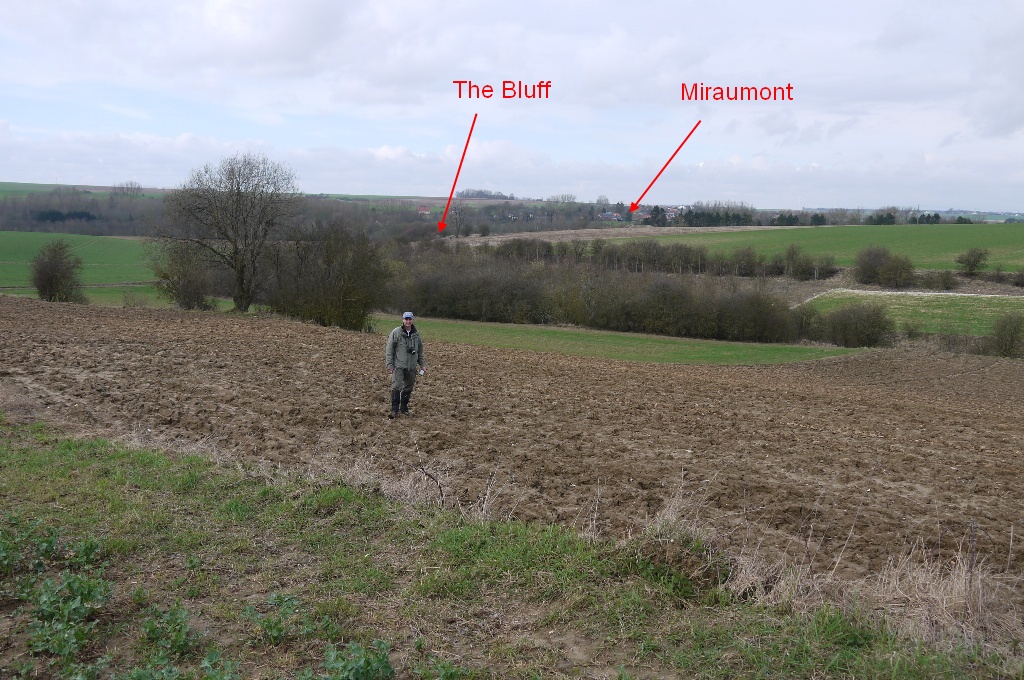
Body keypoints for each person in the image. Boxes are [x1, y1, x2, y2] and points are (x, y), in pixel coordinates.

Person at [385, 311, 426, 418]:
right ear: (403, 320)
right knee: (396, 387)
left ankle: (404, 408)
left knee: (408, 387)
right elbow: (389, 350)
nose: (408, 321)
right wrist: (390, 365)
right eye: (406, 319)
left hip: (411, 367)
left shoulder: (416, 335)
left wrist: (422, 364)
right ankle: (394, 410)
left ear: (413, 320)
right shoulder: (396, 333)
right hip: (399, 366)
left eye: (410, 319)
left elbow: (420, 351)